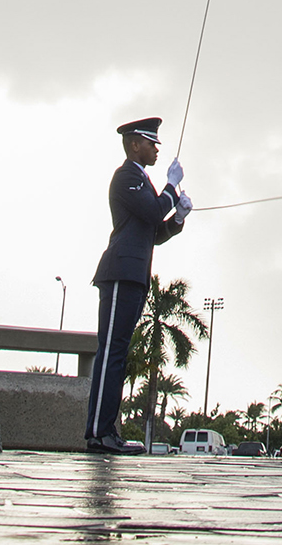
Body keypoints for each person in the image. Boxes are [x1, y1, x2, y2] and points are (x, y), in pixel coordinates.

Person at [84, 116, 192, 452]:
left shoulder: (142, 181)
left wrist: (176, 219)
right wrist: (172, 188)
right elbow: (150, 212)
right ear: (135, 144)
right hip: (119, 273)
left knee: (117, 353)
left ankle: (107, 431)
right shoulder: (127, 176)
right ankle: (99, 434)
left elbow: (152, 233)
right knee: (111, 353)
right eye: (151, 143)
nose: (156, 150)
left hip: (134, 275)